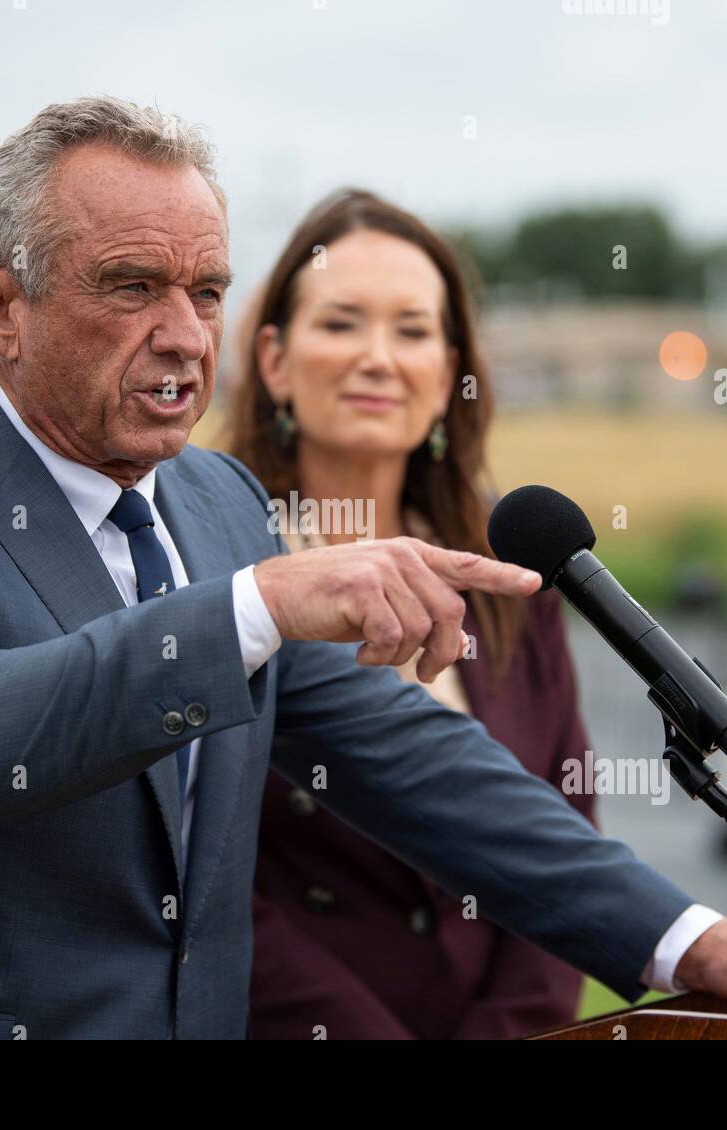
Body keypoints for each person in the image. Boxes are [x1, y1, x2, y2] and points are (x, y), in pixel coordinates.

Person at [0, 96, 727, 1041]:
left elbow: (411, 759)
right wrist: (257, 601)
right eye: (133, 287)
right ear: (0, 310)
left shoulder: (213, 501)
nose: (186, 335)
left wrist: (688, 936)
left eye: (208, 291)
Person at [229, 188, 597, 1039]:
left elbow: (564, 834)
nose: (378, 358)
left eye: (412, 330)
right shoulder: (213, 567)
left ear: (450, 371)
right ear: (275, 361)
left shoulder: (507, 577)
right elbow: (201, 879)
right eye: (341, 323)